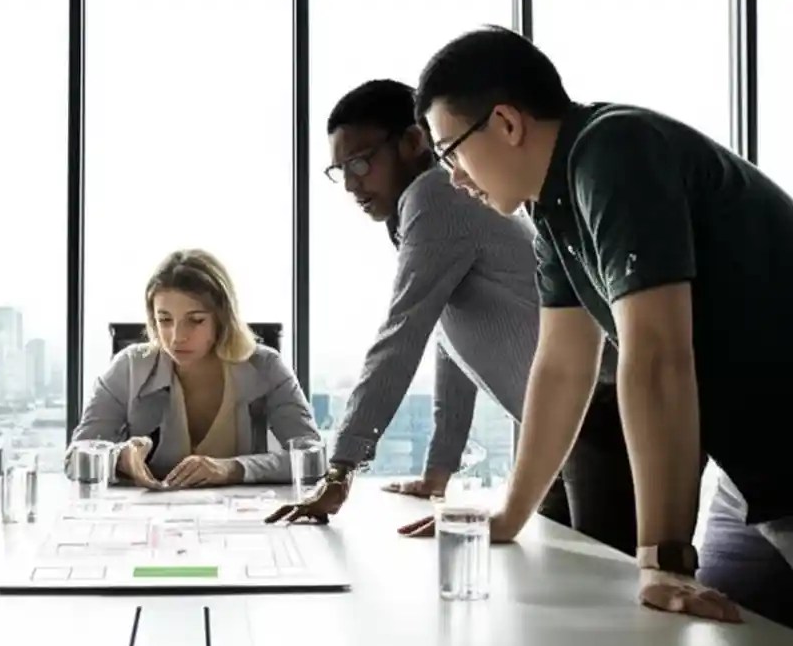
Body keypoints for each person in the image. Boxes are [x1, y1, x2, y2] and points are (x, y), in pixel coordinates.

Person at [410, 25, 793, 624]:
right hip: (751, 476)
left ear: (507, 123)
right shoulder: (554, 206)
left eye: (449, 150)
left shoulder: (614, 152)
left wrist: (661, 558)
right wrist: (510, 514)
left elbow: (659, 354)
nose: (453, 175)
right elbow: (563, 366)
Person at [264, 79, 637, 557]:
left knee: (609, 586)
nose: (353, 184)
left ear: (414, 142)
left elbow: (401, 335)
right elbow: (450, 339)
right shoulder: (425, 205)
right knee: (571, 580)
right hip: (562, 422)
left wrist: (340, 470)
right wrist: (440, 468)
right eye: (341, 170)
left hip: (598, 417)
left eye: (360, 162)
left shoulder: (434, 196)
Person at [73, 249, 319, 488]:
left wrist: (232, 469)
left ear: (222, 319)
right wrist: (119, 459)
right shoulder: (129, 367)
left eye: (195, 320)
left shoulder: (265, 367)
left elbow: (312, 458)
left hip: (237, 521)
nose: (177, 337)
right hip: (148, 521)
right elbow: (75, 457)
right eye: (165, 320)